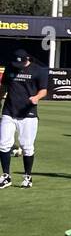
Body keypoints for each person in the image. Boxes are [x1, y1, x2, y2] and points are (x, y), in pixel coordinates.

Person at [0, 49, 49, 189]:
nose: (18, 66)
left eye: (20, 63)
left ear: (27, 59)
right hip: (9, 111)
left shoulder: (39, 70)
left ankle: (27, 176)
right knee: (3, 144)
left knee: (26, 146)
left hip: (28, 113)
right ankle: (5, 176)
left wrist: (36, 98)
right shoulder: (10, 67)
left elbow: (44, 89)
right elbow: (4, 87)